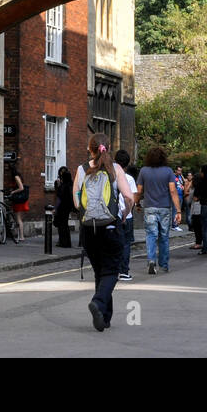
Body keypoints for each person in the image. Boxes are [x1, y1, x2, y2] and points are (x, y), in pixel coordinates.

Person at [74, 132, 137, 331]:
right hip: (111, 226)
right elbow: (129, 197)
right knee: (111, 271)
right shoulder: (115, 168)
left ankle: (104, 318)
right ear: (107, 148)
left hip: (88, 228)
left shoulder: (81, 169)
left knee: (100, 272)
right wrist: (125, 214)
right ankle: (99, 302)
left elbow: (77, 201)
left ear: (89, 149)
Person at [136, 146, 181, 274]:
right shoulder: (168, 171)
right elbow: (173, 191)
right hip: (165, 208)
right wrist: (178, 210)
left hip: (150, 207)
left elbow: (139, 191)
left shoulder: (144, 171)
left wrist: (137, 203)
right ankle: (164, 264)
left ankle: (151, 260)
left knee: (151, 235)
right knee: (164, 236)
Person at [114, 150, 137, 279]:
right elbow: (131, 199)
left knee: (115, 243)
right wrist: (127, 212)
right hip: (126, 216)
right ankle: (124, 271)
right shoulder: (129, 179)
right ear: (127, 164)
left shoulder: (111, 176)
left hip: (113, 215)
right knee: (126, 244)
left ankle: (114, 270)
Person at [7, 164, 30, 242]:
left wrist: (13, 192)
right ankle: (20, 235)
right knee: (19, 219)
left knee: (18, 219)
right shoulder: (17, 176)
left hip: (19, 200)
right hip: (19, 200)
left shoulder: (16, 177)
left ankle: (22, 236)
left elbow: (21, 188)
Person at [54, 165, 75, 248]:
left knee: (61, 226)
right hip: (68, 207)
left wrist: (55, 209)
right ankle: (67, 242)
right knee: (65, 226)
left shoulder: (63, 186)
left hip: (62, 208)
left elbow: (59, 198)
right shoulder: (71, 185)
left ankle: (63, 242)